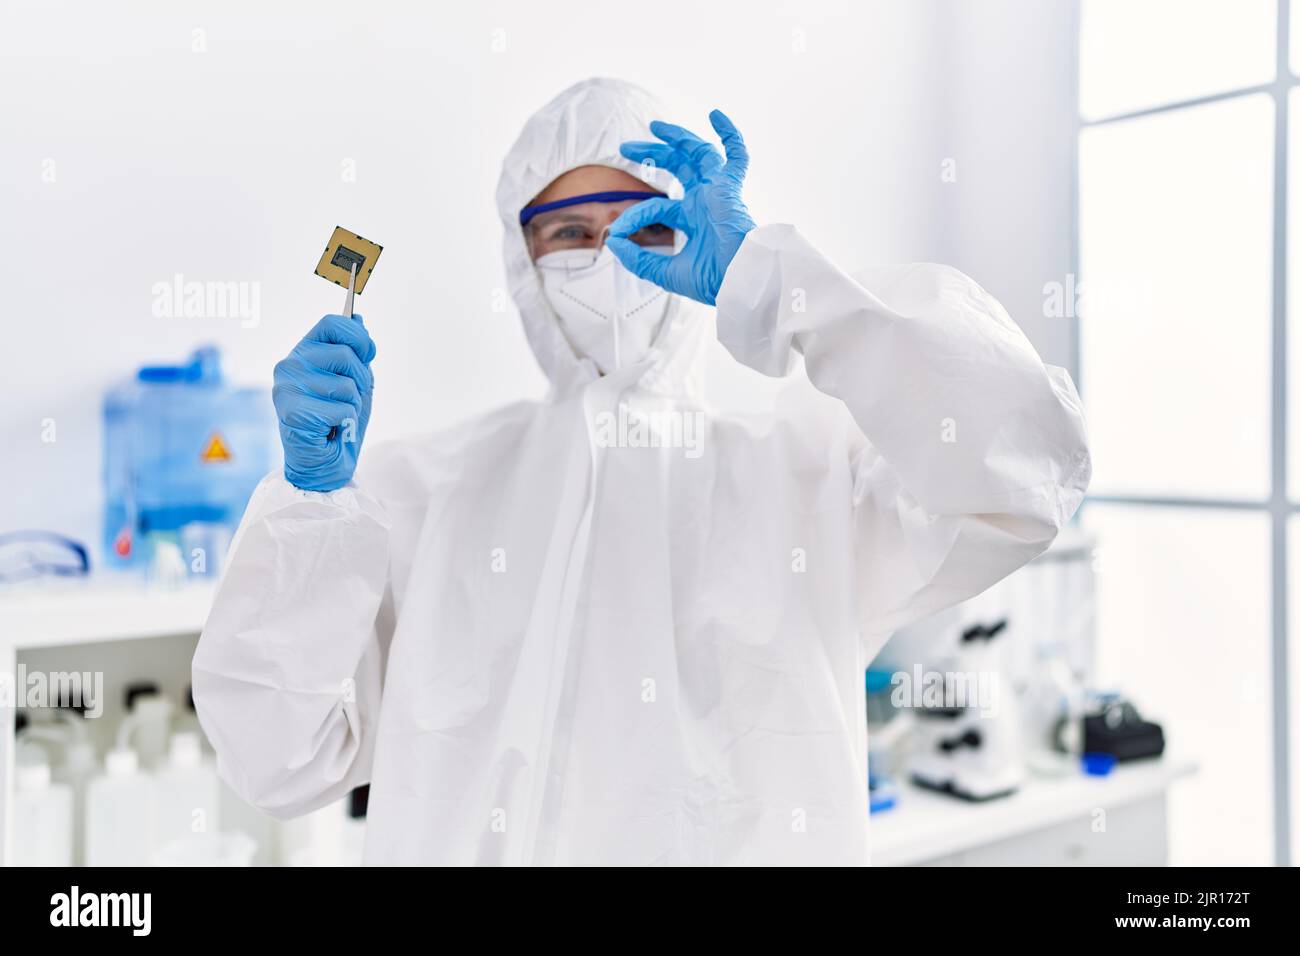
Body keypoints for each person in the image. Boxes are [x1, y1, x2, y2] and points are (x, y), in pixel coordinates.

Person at [192, 78, 1090, 865]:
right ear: (523, 260)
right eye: (568, 232)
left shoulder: (808, 476)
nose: (603, 257)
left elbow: (1025, 462)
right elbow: (275, 757)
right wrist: (309, 511)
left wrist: (775, 283)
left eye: (643, 225)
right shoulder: (427, 491)